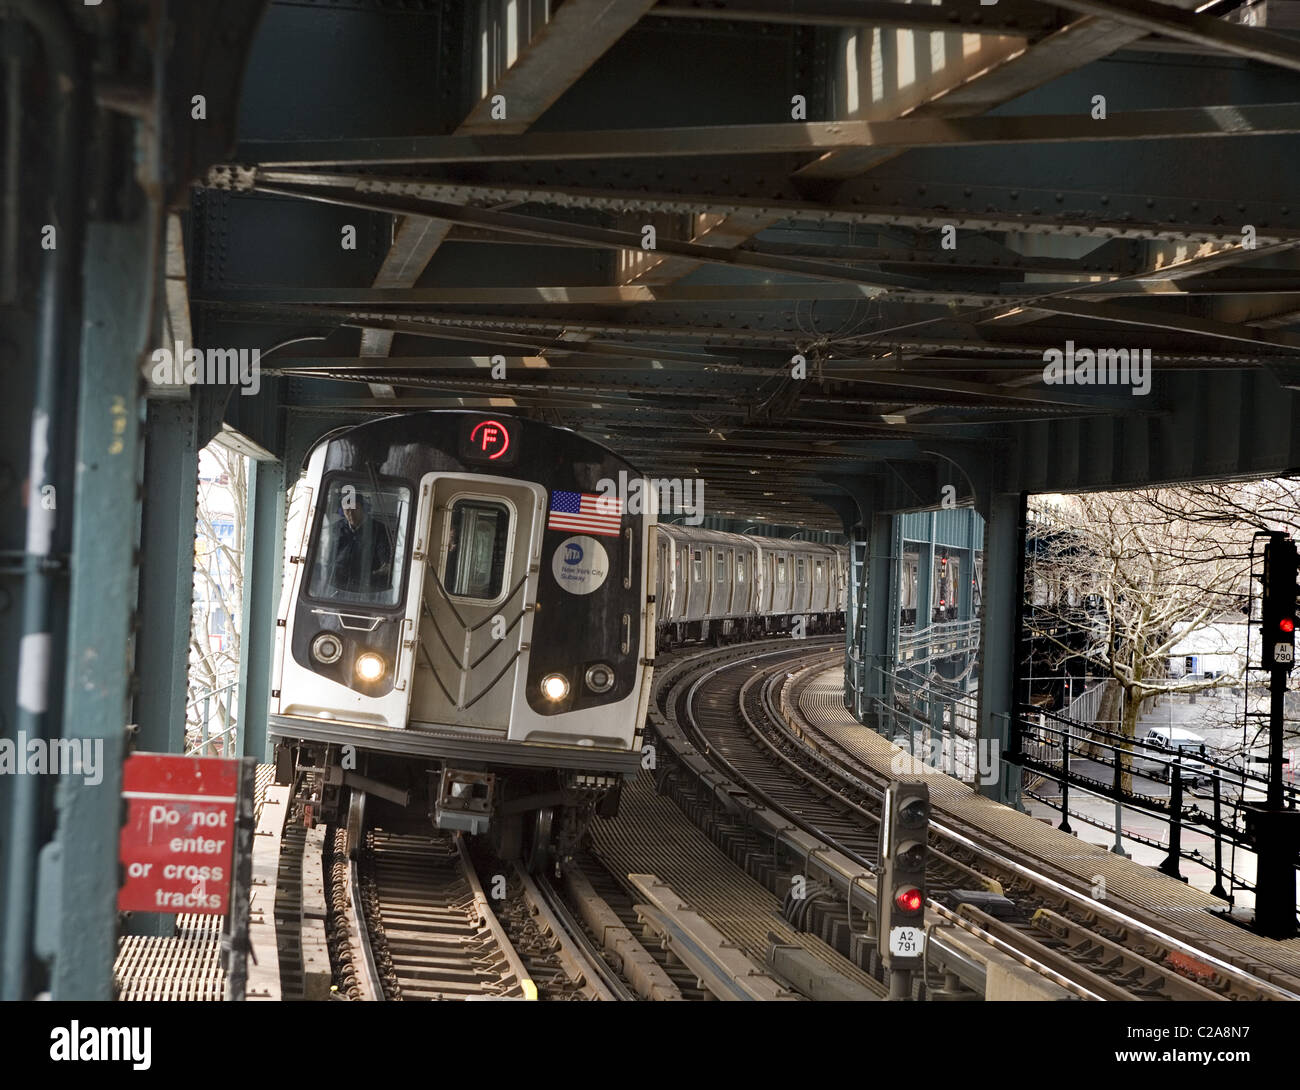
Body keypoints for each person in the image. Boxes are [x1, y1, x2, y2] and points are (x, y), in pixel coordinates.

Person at [330, 494, 392, 593]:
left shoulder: (380, 529)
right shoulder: (335, 529)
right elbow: (328, 556)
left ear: (364, 508)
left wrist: (383, 568)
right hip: (337, 586)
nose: (350, 513)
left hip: (368, 586)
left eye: (355, 508)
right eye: (347, 510)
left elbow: (385, 558)